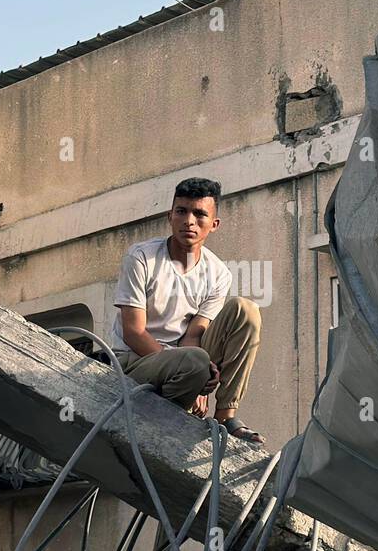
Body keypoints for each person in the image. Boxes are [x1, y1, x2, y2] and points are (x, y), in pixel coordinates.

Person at [109, 177, 265, 445]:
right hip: (136, 361)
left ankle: (226, 415)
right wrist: (192, 365)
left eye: (199, 214)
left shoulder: (218, 274)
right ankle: (187, 386)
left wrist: (198, 371)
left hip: (187, 358)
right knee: (194, 360)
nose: (189, 221)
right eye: (181, 211)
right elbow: (133, 332)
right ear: (170, 216)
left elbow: (194, 335)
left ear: (214, 225)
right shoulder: (141, 258)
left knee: (246, 310)